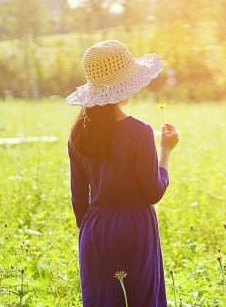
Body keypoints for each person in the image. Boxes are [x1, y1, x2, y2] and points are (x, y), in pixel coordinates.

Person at [66, 40, 179, 307]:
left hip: (94, 230)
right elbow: (153, 192)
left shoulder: (78, 134)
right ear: (124, 87)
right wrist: (166, 151)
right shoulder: (139, 132)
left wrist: (93, 232)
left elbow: (78, 200)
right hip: (134, 229)